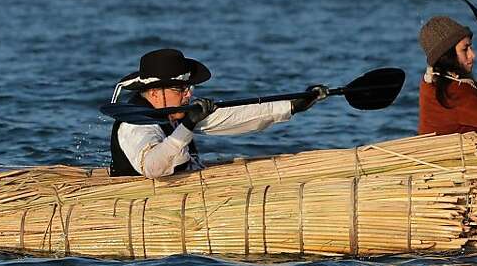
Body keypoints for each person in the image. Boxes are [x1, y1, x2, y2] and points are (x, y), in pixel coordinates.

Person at [108, 47, 319, 178]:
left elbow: (232, 118)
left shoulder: (173, 112)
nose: (188, 95)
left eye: (189, 89)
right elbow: (153, 167)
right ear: (154, 93)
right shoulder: (134, 124)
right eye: (180, 89)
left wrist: (290, 106)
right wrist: (187, 127)